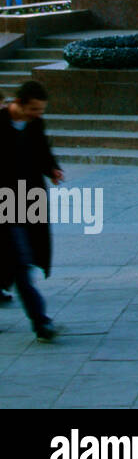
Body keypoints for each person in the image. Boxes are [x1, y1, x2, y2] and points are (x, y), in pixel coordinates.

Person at [0, 81, 63, 341]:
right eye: (35, 109)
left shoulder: (35, 123)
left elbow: (42, 150)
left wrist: (52, 169)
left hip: (31, 197)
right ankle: (41, 321)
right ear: (20, 104)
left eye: (41, 110)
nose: (39, 114)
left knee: (29, 251)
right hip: (3, 201)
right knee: (20, 261)